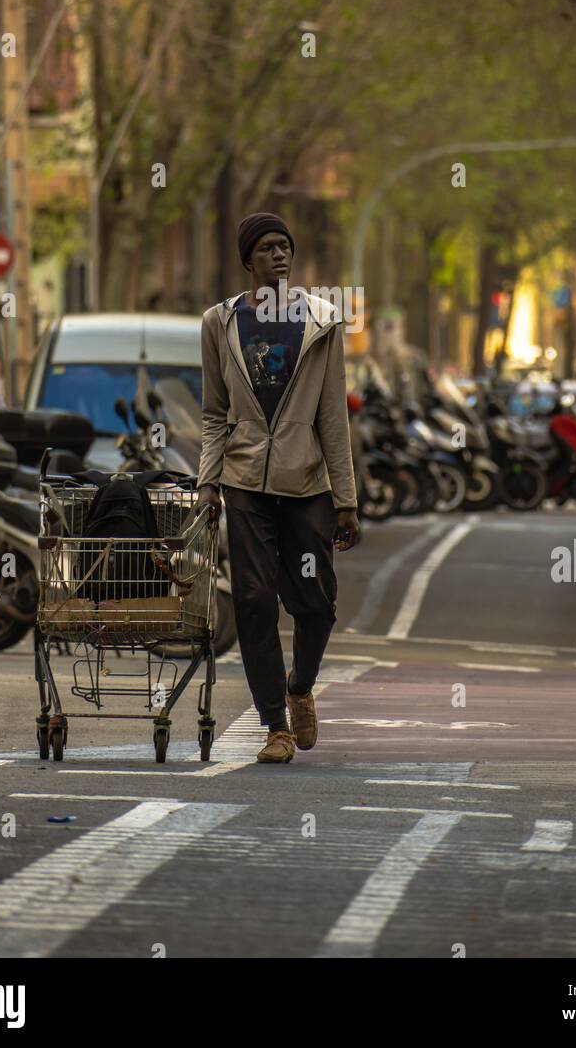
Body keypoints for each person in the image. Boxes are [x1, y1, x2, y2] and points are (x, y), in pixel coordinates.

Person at [196, 212, 360, 764]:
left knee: (314, 603)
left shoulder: (322, 322)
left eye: (285, 246)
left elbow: (333, 418)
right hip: (244, 484)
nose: (279, 256)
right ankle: (274, 726)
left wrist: (346, 500)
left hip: (307, 485)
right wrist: (208, 482)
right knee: (253, 601)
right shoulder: (219, 323)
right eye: (267, 248)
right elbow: (214, 414)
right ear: (248, 260)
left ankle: (300, 686)